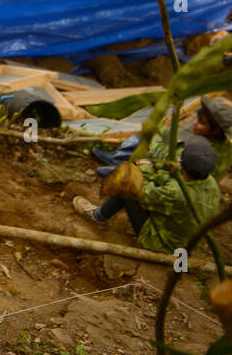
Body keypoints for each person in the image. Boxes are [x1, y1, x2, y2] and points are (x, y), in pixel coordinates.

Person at [72, 137, 220, 254]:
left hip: (164, 243)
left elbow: (142, 191)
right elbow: (171, 180)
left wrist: (145, 168)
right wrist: (156, 171)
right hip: (185, 240)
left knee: (128, 186)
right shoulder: (210, 182)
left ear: (182, 163)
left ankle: (98, 216)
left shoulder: (175, 192)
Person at [92, 96, 232, 182]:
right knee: (151, 132)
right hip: (178, 167)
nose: (194, 123)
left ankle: (121, 171)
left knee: (151, 145)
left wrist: (157, 139)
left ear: (215, 130)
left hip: (178, 181)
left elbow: (171, 163)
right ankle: (117, 159)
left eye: (202, 123)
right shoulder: (212, 138)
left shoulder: (208, 153)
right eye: (197, 118)